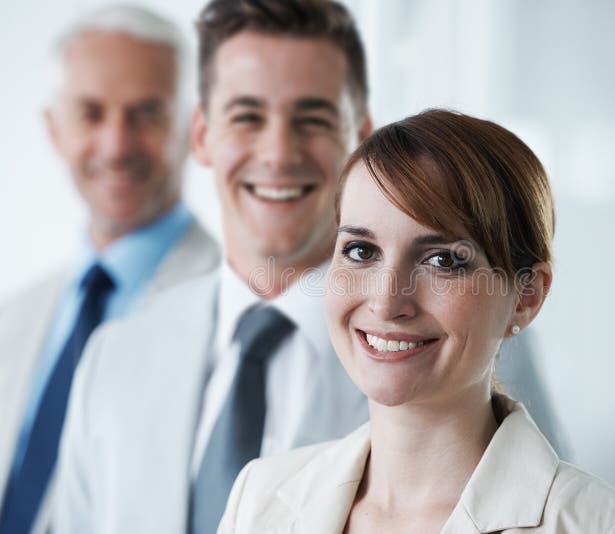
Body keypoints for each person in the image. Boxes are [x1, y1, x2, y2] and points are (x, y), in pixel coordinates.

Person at [55, 2, 565, 533]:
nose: (278, 153)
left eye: (313, 119)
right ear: (202, 135)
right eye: (247, 117)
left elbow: (544, 512)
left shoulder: (470, 341)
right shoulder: (115, 357)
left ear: (359, 139)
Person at [218, 109, 615, 534]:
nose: (386, 301)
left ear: (526, 296)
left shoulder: (610, 528)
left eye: (442, 260)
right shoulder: (260, 500)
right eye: (361, 251)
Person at [0, 6, 219, 533]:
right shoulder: (16, 316)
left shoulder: (233, 310)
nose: (117, 145)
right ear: (54, 129)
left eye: (146, 113)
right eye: (92, 113)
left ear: (195, 129)